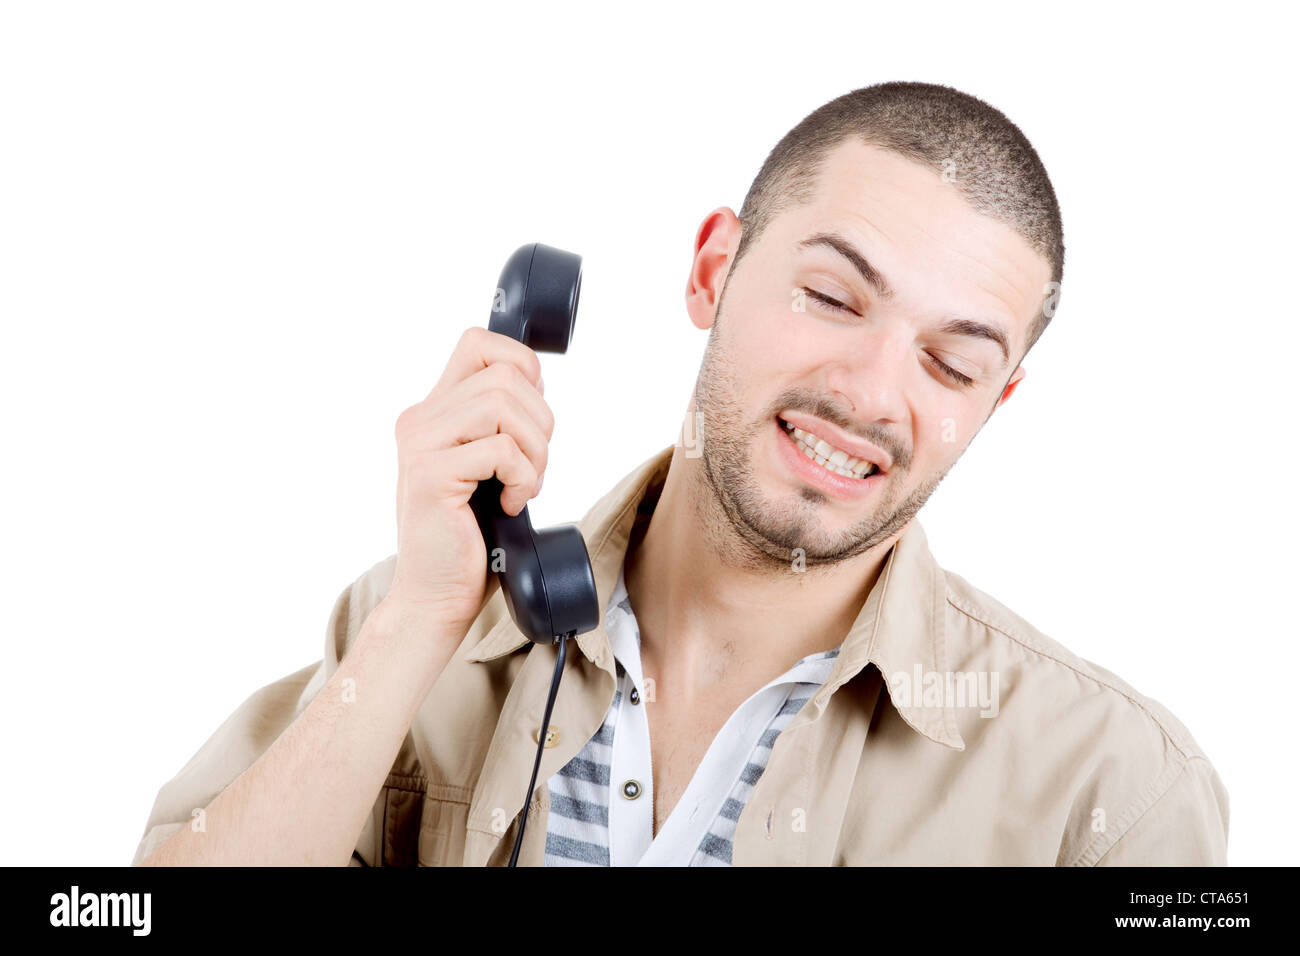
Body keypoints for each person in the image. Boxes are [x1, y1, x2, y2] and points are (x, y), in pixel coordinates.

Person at [133, 81, 1228, 867]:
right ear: (714, 270)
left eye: (949, 362)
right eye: (833, 298)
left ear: (994, 403)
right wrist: (422, 616)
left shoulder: (1117, 791)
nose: (869, 390)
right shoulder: (414, 629)